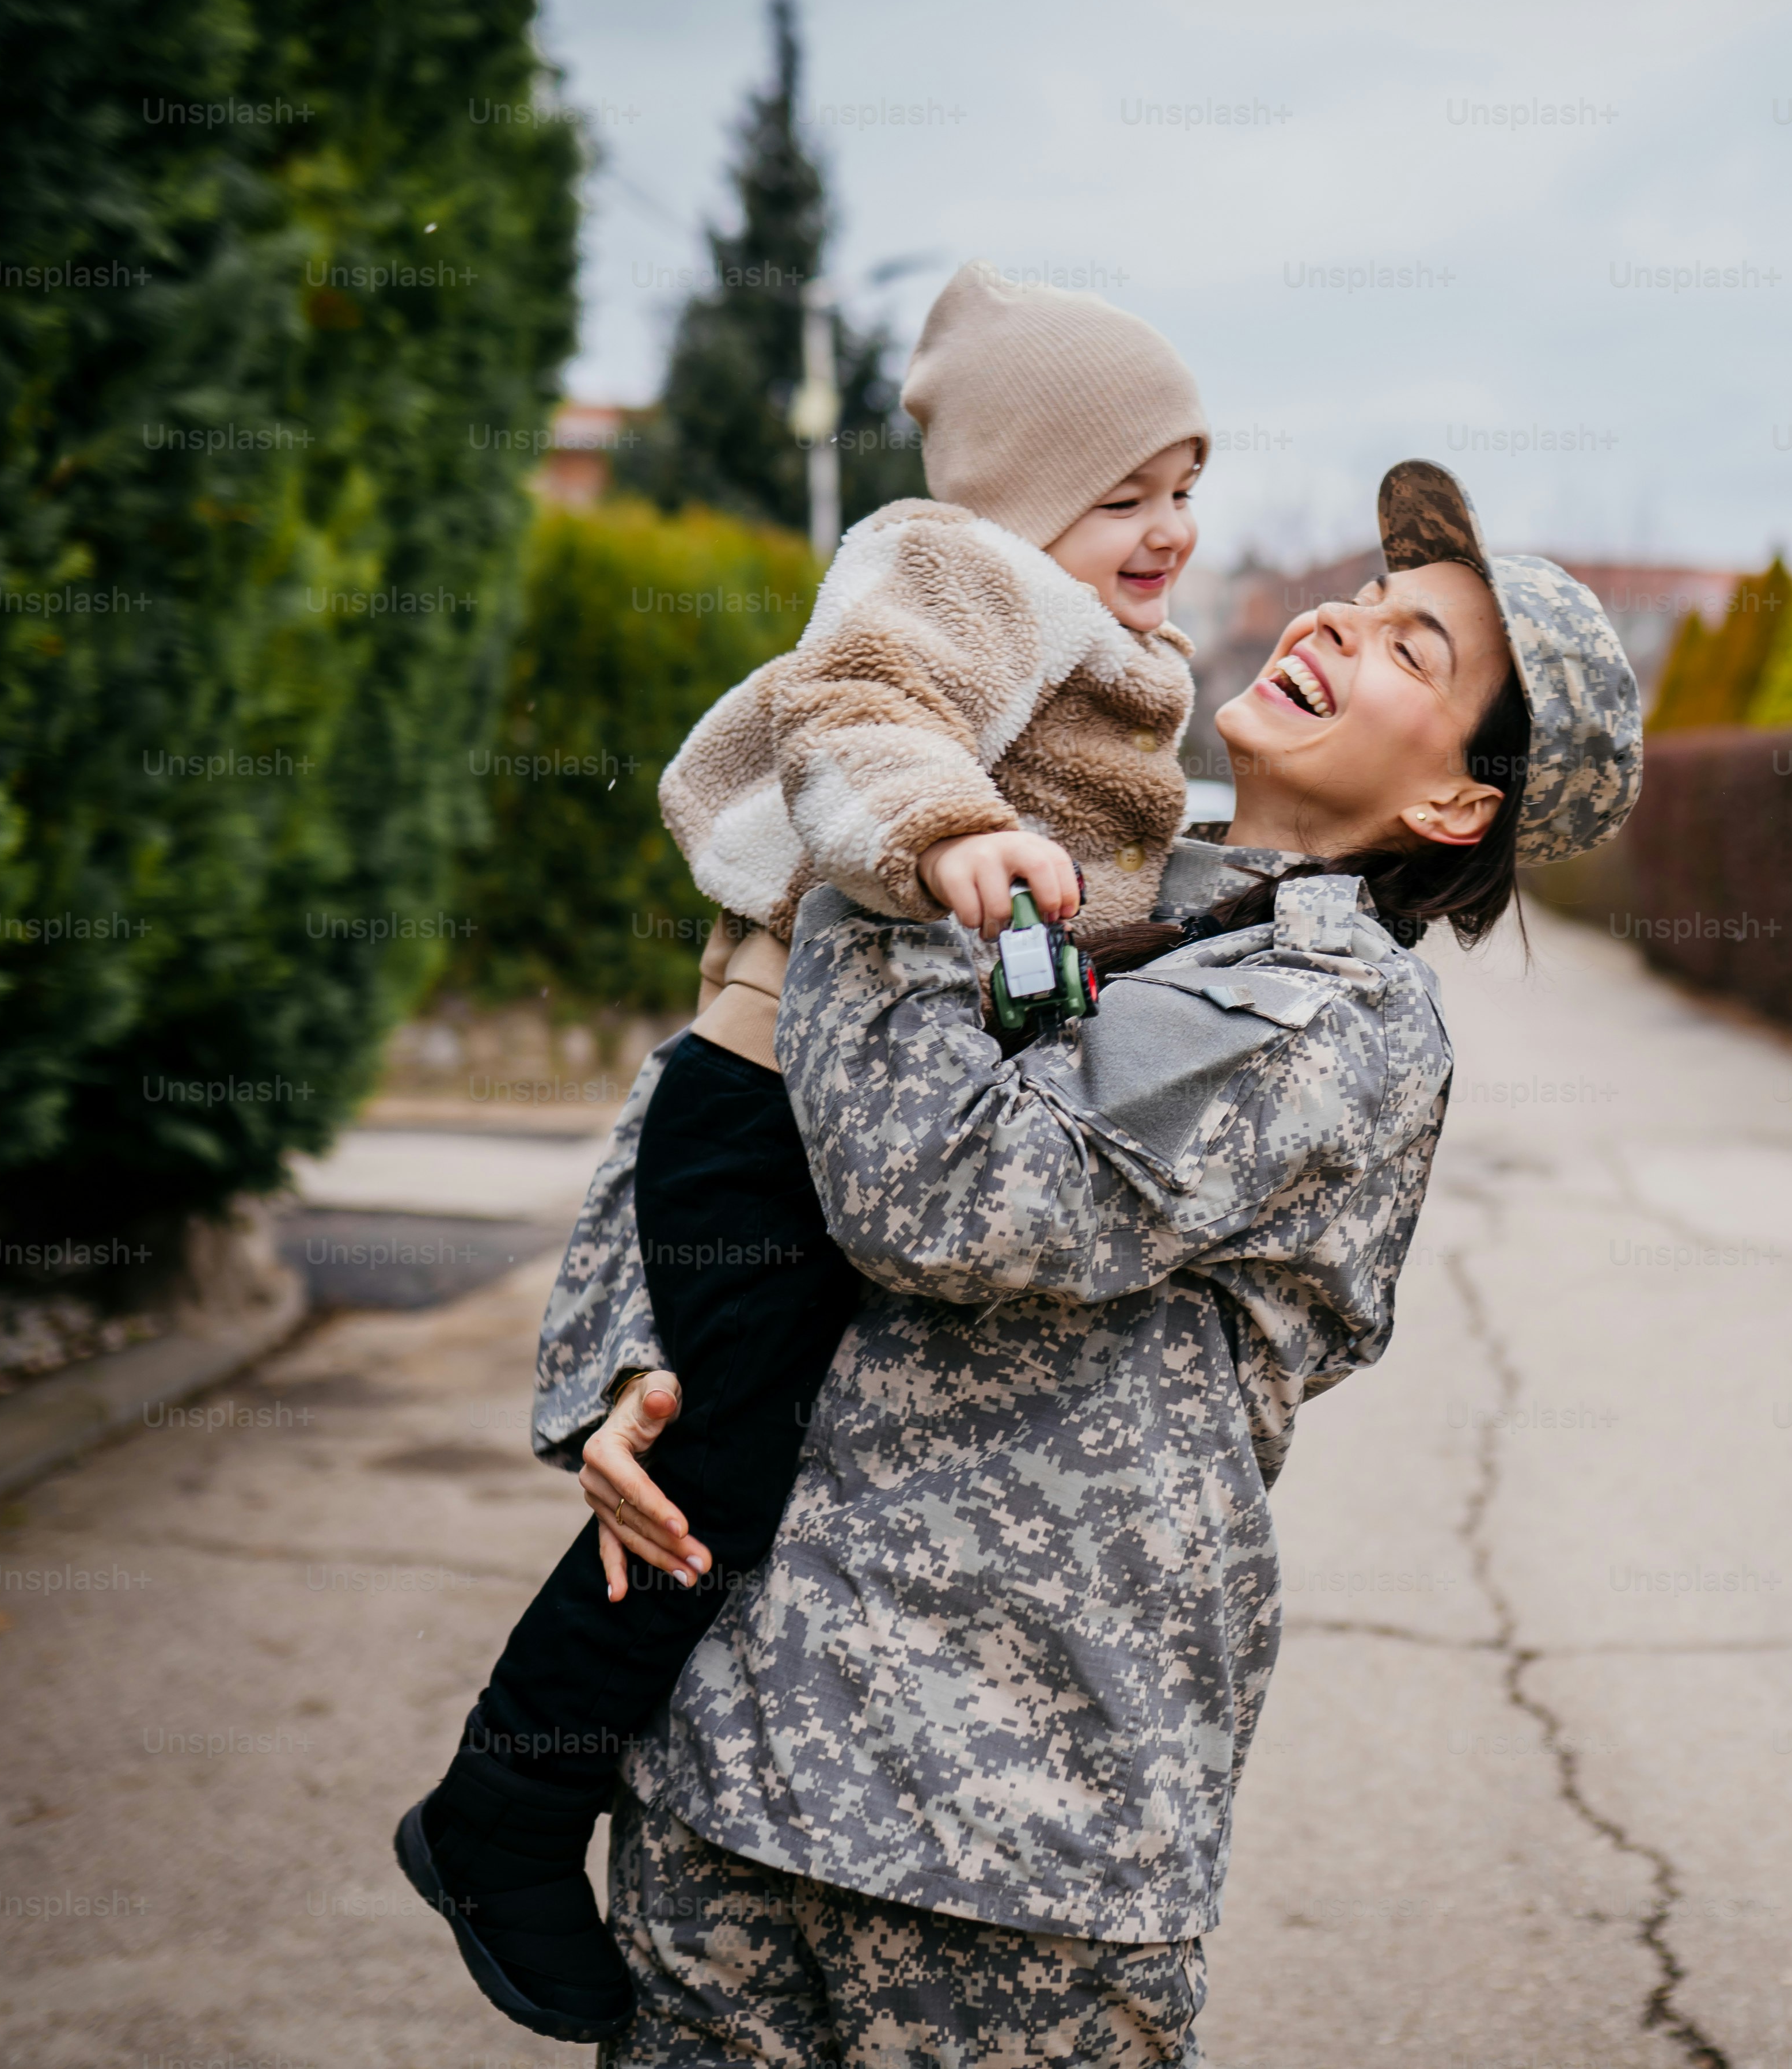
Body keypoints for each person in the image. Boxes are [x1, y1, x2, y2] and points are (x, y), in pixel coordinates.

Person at [552, 460, 1642, 2064]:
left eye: (1417, 651)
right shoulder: (1087, 852)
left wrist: (895, 813)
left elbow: (949, 1200)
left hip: (1009, 1839)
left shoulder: (1332, 1021)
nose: (1345, 621)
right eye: (1364, 593)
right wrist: (614, 1363)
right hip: (730, 1746)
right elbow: (732, 1080)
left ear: (1454, 807)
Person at [396, 260, 1215, 2044]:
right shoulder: (951, 570)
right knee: (730, 1459)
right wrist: (950, 834)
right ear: (1014, 489)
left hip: (837, 1103)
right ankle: (503, 1806)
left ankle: (532, 1794)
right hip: (761, 1105)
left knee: (749, 1439)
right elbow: (857, 710)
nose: (1166, 529)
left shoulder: (1101, 632)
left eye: (1184, 489)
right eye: (1123, 493)